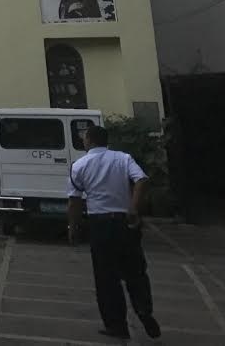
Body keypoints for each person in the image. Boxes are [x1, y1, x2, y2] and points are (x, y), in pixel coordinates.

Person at [67, 124, 161, 340]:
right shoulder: (123, 158)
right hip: (125, 222)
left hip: (100, 224)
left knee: (106, 278)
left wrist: (73, 227)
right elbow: (142, 180)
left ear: (89, 140)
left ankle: (117, 325)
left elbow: (74, 201)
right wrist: (133, 208)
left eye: (84, 138)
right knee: (135, 271)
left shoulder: (79, 165)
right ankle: (144, 310)